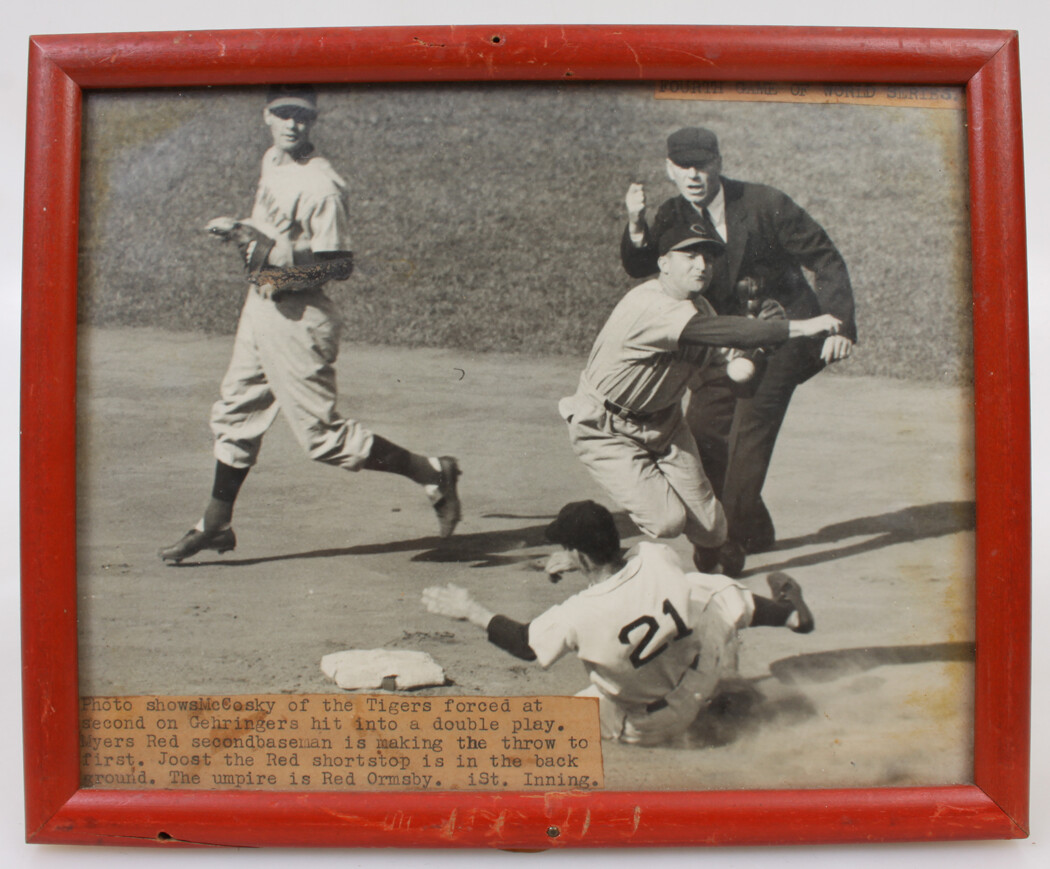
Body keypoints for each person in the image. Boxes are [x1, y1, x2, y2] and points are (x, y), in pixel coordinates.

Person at [159, 86, 460, 563]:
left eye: (302, 116)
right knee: (235, 413)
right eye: (283, 114)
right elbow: (276, 235)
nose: (292, 124)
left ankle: (434, 472)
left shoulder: (322, 186)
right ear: (266, 115)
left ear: (314, 119)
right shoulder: (272, 160)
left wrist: (280, 277)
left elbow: (339, 264)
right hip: (262, 309)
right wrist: (240, 231)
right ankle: (215, 524)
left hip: (299, 320)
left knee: (323, 439)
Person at [621, 127, 856, 563]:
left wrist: (839, 327)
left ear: (719, 164)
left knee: (749, 429)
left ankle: (725, 541)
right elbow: (642, 266)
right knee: (703, 433)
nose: (694, 175)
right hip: (726, 341)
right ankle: (755, 528)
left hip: (786, 332)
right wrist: (636, 223)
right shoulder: (673, 213)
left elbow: (825, 258)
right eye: (684, 166)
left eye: (702, 165)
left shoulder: (764, 203)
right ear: (669, 169)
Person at [560, 221, 841, 576]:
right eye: (690, 256)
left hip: (665, 427)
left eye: (708, 258)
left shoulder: (701, 309)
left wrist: (756, 351)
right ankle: (587, 557)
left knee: (712, 529)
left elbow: (731, 368)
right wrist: (794, 328)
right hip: (606, 430)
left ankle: (709, 579)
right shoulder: (649, 304)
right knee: (667, 521)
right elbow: (716, 331)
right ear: (663, 263)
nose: (702, 265)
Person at [422, 500, 813, 745]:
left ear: (580, 555)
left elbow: (526, 644)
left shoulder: (576, 614)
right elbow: (624, 565)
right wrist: (581, 560)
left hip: (644, 727)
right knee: (709, 592)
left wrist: (471, 610)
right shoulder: (655, 557)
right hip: (700, 676)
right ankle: (790, 614)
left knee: (546, 722)